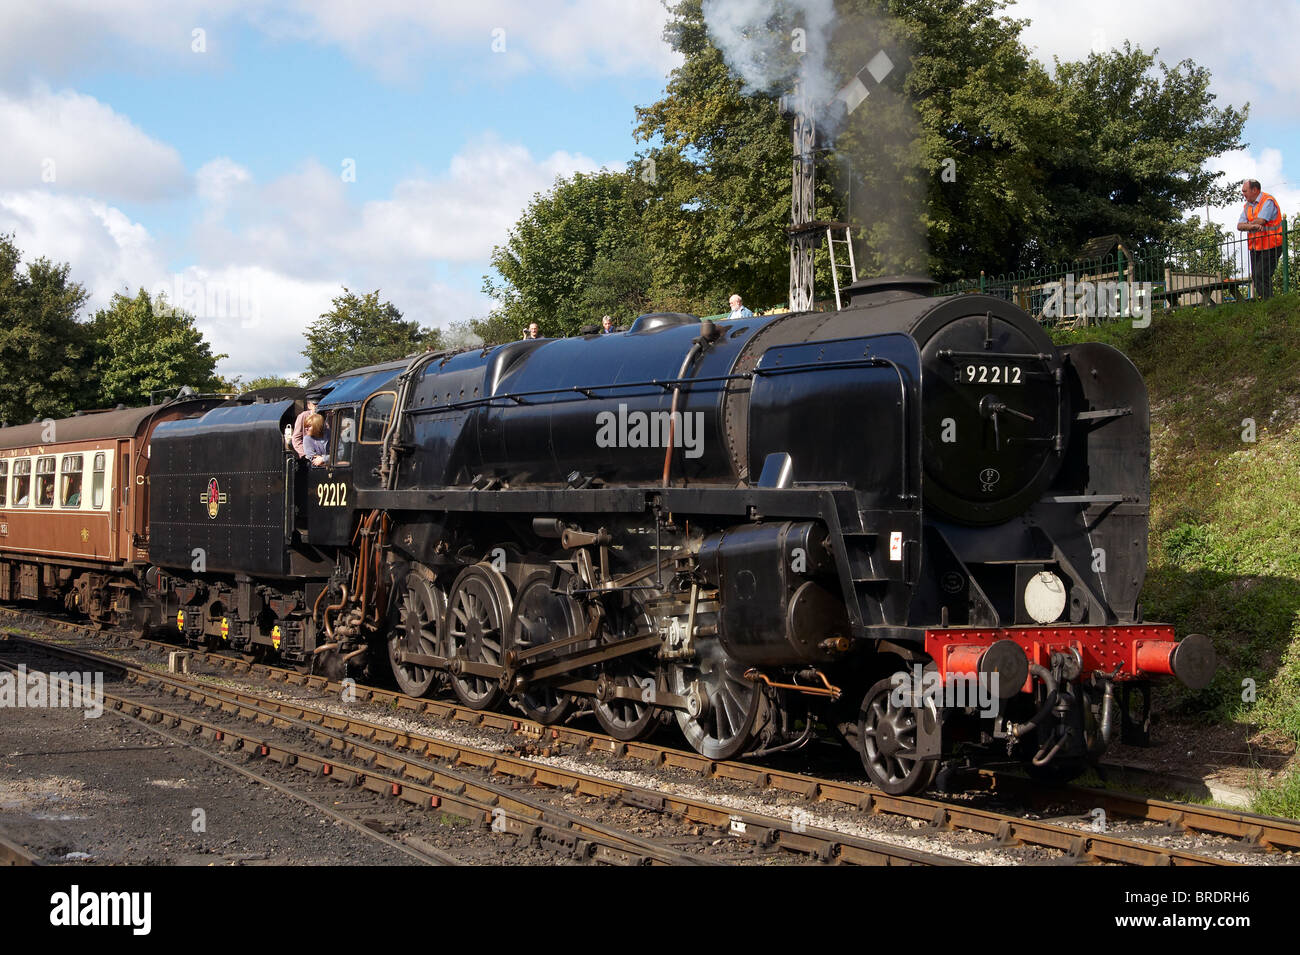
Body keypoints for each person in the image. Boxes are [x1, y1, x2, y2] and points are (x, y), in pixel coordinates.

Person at [1237, 179, 1284, 301]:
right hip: (1255, 246)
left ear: (1254, 190)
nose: (1243, 194)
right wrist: (1252, 225)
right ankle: (1266, 301)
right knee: (1257, 276)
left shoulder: (1268, 201)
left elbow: (1262, 220)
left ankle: (1268, 301)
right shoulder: (1247, 206)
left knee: (1261, 275)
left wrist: (1247, 224)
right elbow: (1239, 226)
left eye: (1245, 191)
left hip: (1271, 244)